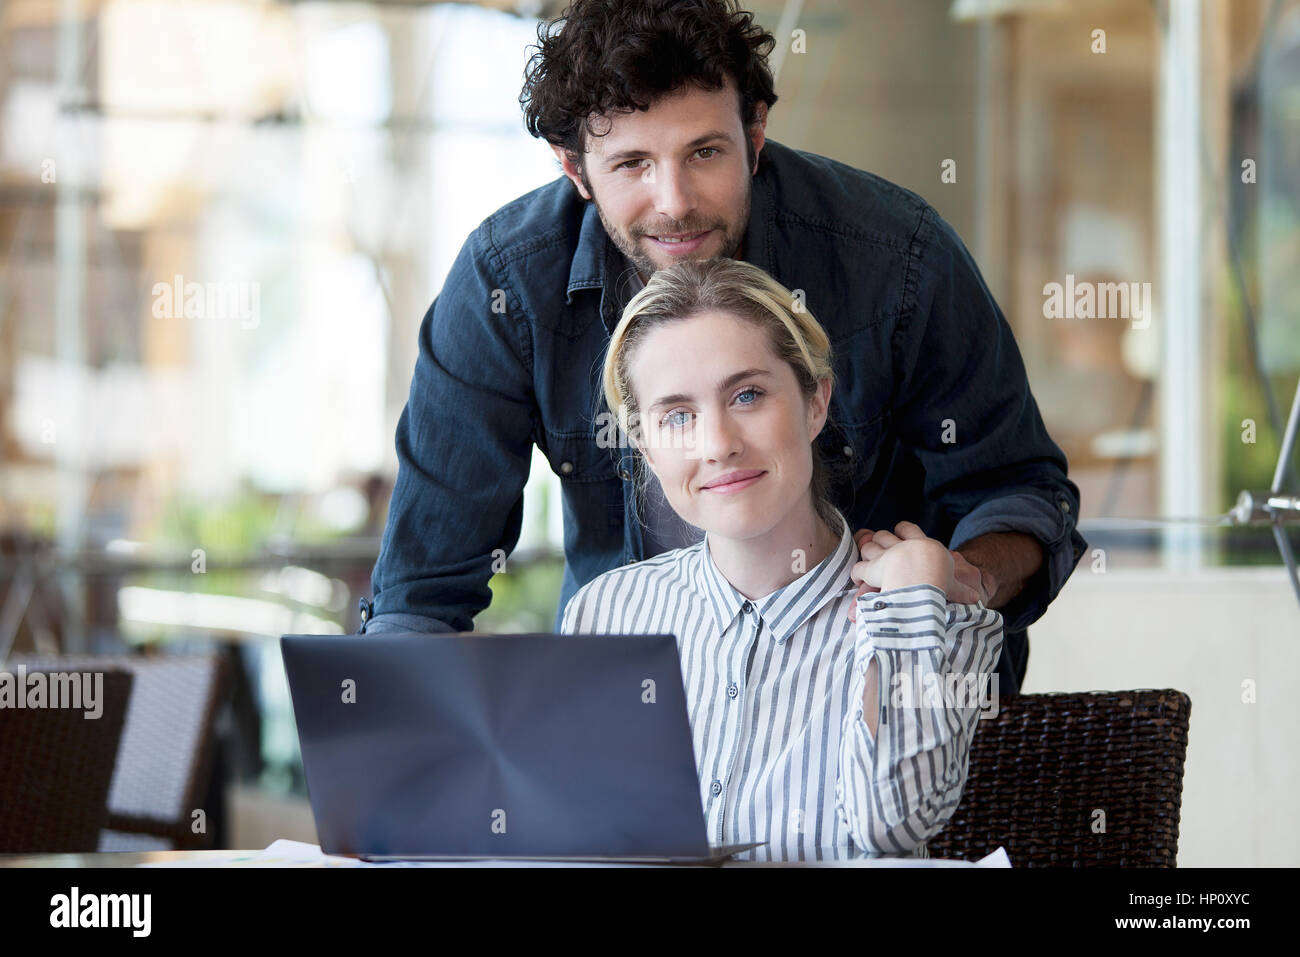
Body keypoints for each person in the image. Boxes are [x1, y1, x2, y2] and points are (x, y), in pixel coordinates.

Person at [363, 0, 1086, 696]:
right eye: (631, 165)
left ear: (757, 130)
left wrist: (961, 580)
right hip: (631, 715)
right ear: (574, 169)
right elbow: (421, 591)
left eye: (704, 151)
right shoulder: (507, 286)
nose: (674, 200)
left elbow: (1022, 493)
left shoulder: (896, 258)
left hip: (881, 704)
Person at [560, 258, 1003, 856]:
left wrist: (907, 608)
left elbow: (894, 822)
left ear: (816, 403)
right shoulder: (605, 614)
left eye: (747, 395)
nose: (718, 444)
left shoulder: (937, 613)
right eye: (677, 415)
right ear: (644, 446)